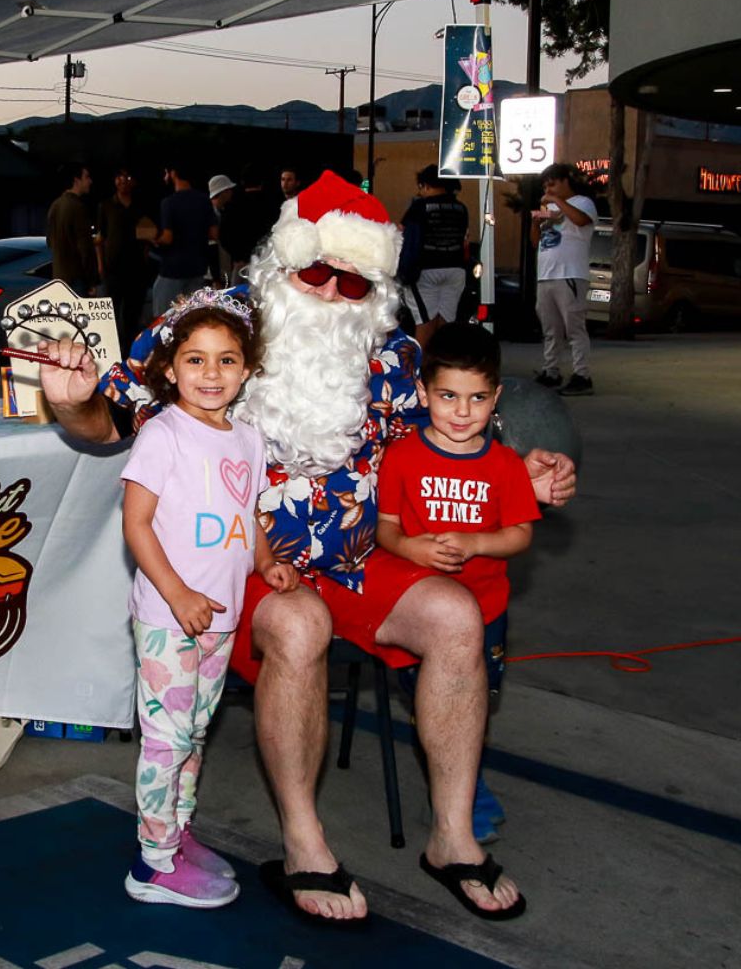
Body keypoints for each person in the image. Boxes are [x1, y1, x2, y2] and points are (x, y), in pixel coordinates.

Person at [38, 171, 576, 924]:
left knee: (456, 615)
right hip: (244, 565)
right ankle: (304, 844)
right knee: (300, 624)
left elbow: (458, 431)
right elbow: (111, 418)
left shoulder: (390, 355)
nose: (330, 294)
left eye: (352, 282)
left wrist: (525, 466)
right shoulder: (214, 332)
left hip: (361, 557)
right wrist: (73, 404)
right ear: (284, 262)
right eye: (317, 272)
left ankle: (452, 838)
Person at [121, 287, 299, 908]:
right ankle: (152, 862)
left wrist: (267, 562)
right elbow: (136, 524)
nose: (211, 373)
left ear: (247, 370)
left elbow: (247, 515)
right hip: (170, 618)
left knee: (195, 732)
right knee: (166, 738)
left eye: (227, 359)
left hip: (220, 617)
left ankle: (178, 830)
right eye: (195, 359)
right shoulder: (162, 434)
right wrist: (177, 594)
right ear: (171, 370)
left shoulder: (247, 440)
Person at [376, 322, 540, 878]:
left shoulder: (505, 464)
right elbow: (386, 527)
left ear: (496, 398)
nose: (462, 412)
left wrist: (476, 543)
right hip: (418, 606)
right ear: (424, 394)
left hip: (487, 607)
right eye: (448, 396)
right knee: (427, 698)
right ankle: (458, 794)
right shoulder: (402, 456)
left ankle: (466, 787)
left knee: (474, 700)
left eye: (476, 398)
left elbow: (520, 534)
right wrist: (411, 548)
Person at [531, 162, 598, 396]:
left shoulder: (582, 202)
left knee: (574, 328)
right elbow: (535, 242)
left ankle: (582, 375)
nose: (548, 190)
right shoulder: (550, 208)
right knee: (550, 329)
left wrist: (557, 202)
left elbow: (581, 221)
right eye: (545, 187)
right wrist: (536, 222)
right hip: (546, 275)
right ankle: (551, 371)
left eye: (552, 184)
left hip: (570, 274)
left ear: (565, 181)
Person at [398, 164, 470, 348]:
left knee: (424, 323)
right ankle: (444, 361)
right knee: (446, 324)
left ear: (426, 185)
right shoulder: (461, 208)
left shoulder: (420, 207)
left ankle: (421, 364)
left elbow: (404, 234)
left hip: (425, 271)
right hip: (455, 271)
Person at [151, 163, 215, 316]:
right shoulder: (204, 200)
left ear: (173, 174)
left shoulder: (169, 202)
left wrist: (155, 240)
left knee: (163, 317)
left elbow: (168, 237)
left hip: (173, 269)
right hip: (198, 268)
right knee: (191, 316)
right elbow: (213, 234)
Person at [96, 167, 149, 349]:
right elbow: (100, 239)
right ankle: (110, 350)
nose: (123, 180)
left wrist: (145, 259)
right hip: (113, 269)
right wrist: (100, 265)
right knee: (110, 314)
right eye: (119, 176)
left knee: (132, 316)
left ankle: (130, 352)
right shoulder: (105, 206)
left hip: (136, 269)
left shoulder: (141, 206)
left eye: (127, 176)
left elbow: (147, 237)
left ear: (133, 181)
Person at [218, 162, 280, 279]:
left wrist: (238, 256)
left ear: (242, 182)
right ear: (262, 182)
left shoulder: (233, 206)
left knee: (238, 291)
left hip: (241, 264)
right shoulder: (271, 205)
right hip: (266, 264)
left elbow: (223, 236)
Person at [46, 162, 97, 296]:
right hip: (77, 279)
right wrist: (91, 280)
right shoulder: (78, 207)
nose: (90, 181)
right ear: (76, 180)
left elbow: (49, 242)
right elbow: (85, 248)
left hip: (59, 278)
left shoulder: (55, 206)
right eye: (86, 177)